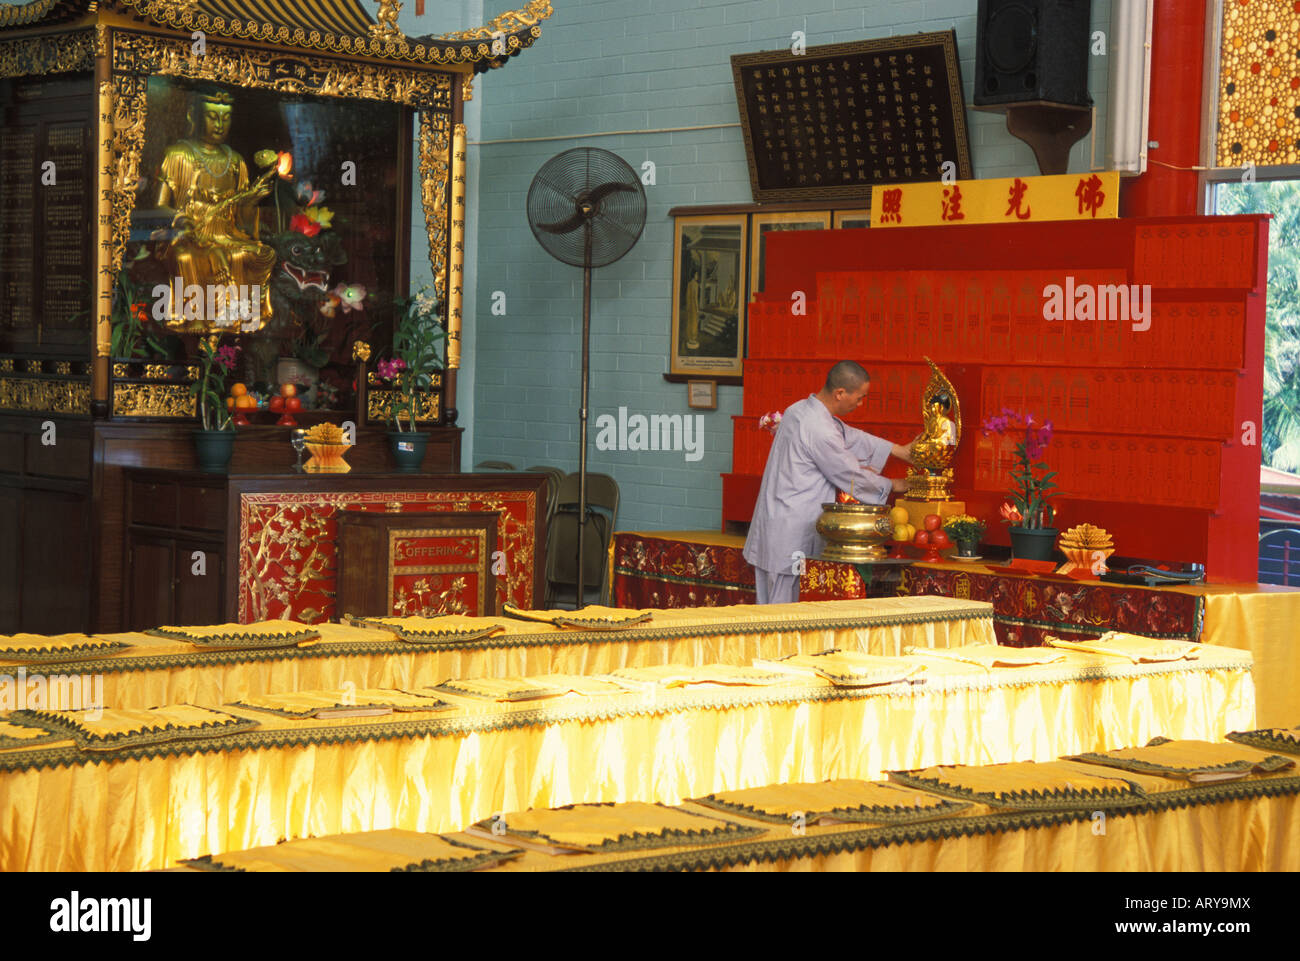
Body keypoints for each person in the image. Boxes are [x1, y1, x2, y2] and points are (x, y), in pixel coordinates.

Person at [743, 360, 916, 604]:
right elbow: (847, 472)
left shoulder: (799, 410)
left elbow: (846, 435)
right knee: (782, 617)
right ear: (840, 393)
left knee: (768, 613)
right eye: (859, 398)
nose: (860, 403)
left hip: (776, 523)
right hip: (790, 531)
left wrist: (899, 450)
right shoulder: (818, 428)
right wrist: (894, 485)